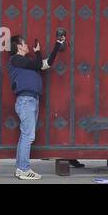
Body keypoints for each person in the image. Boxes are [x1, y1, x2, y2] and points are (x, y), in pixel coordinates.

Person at [7, 32, 65, 180]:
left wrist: (57, 44)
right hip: (25, 100)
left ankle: (20, 169)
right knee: (28, 135)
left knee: (25, 135)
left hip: (32, 100)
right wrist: (38, 52)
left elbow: (46, 64)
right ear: (19, 46)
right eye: (25, 43)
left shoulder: (27, 62)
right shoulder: (15, 59)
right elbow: (39, 64)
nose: (27, 46)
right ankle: (24, 169)